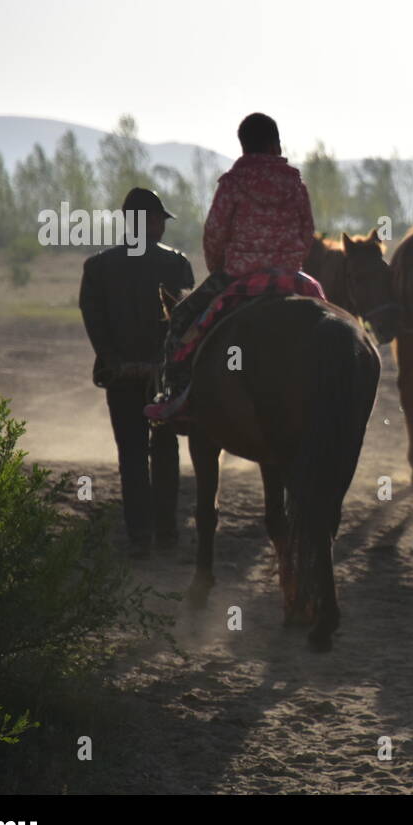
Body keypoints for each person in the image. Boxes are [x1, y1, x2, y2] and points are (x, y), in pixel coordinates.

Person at [156, 112, 316, 403]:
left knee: (180, 318)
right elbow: (308, 232)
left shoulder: (231, 184)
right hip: (290, 276)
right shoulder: (296, 185)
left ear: (243, 147)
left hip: (239, 276)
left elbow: (215, 232)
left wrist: (219, 269)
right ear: (275, 146)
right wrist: (293, 261)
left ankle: (173, 394)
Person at [79, 187, 194, 556]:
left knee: (130, 454)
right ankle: (168, 534)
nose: (162, 227)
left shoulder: (97, 267)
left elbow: (94, 320)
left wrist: (113, 360)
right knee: (165, 450)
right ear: (151, 221)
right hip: (164, 378)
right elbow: (184, 322)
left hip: (121, 376)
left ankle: (139, 536)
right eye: (160, 220)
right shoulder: (176, 263)